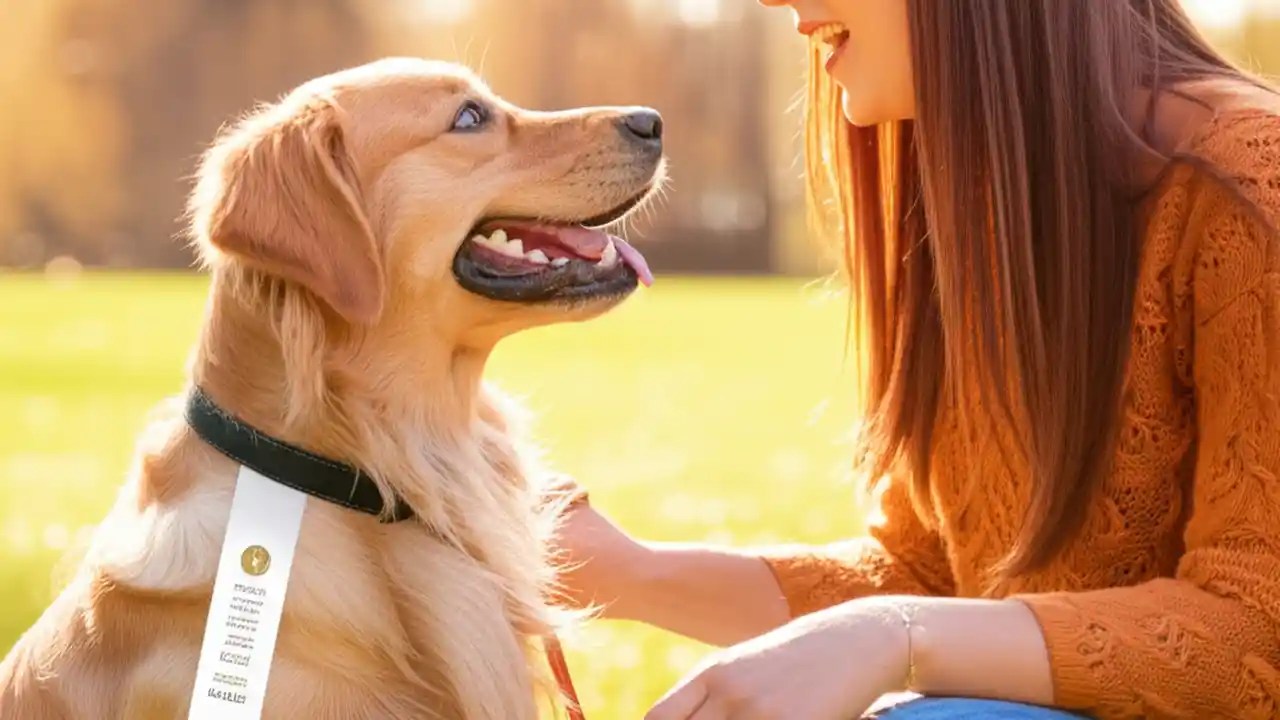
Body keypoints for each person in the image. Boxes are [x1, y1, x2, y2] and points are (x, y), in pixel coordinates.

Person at [550, 1, 1280, 718]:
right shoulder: (990, 208)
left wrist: (896, 636)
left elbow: (1259, 635)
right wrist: (623, 572)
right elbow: (939, 577)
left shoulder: (1253, 188)